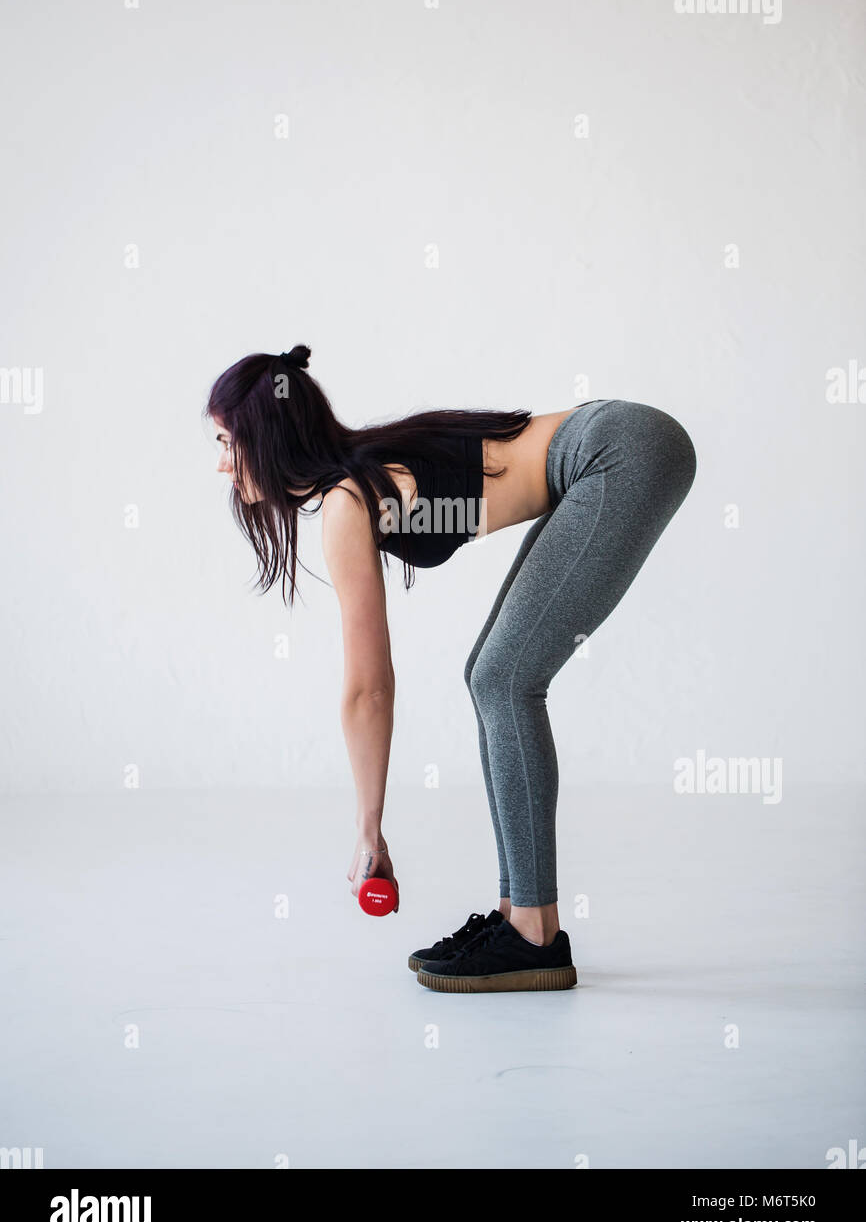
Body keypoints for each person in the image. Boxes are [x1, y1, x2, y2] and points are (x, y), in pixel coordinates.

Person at [204, 346, 697, 994]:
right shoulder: (362, 478)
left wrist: (368, 826)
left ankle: (534, 938)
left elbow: (368, 688)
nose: (220, 464)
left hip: (620, 450)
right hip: (611, 444)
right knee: (490, 674)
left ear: (264, 437)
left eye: (225, 442)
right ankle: (518, 918)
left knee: (504, 679)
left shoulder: (350, 499)